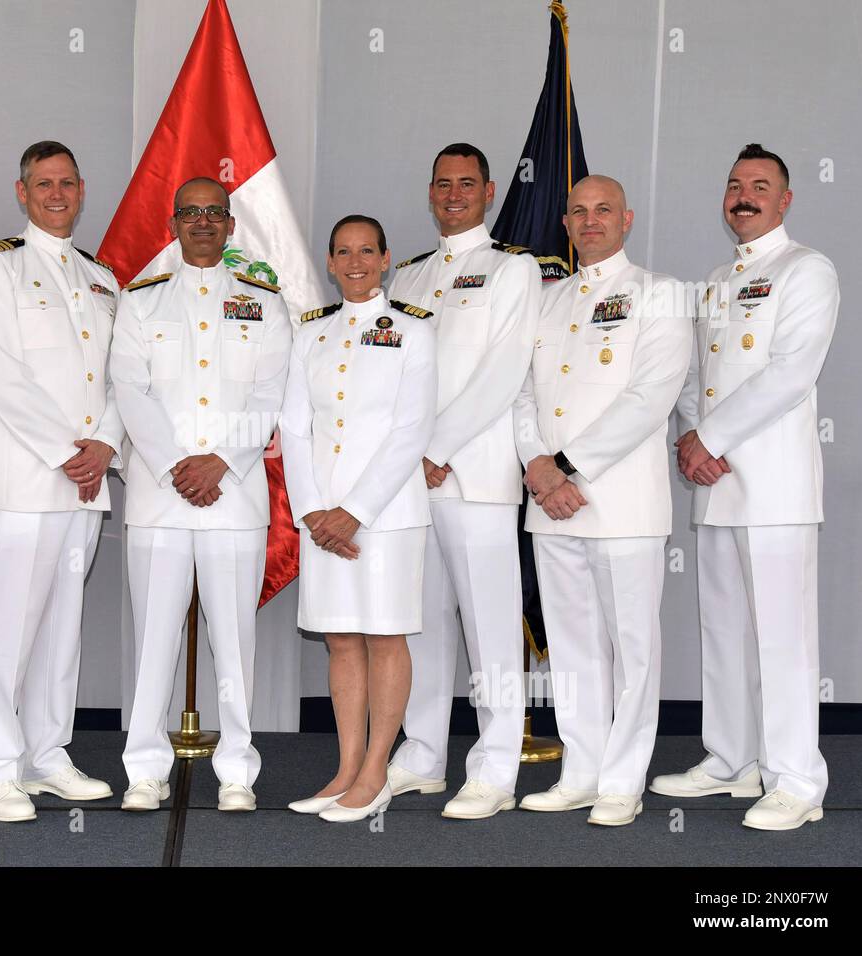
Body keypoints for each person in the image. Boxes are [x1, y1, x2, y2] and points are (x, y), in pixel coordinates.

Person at [650, 144, 838, 831]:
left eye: (760, 186)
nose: (744, 195)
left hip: (775, 487)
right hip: (718, 485)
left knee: (783, 638)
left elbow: (790, 373)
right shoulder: (716, 281)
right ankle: (731, 758)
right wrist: (695, 442)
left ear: (785, 200)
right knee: (722, 629)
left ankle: (797, 779)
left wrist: (710, 440)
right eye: (734, 185)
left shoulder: (807, 270)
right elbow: (701, 377)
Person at [110, 177, 292, 812]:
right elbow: (130, 389)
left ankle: (238, 768)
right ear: (174, 223)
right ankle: (144, 767)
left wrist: (221, 462)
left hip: (233, 497)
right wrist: (174, 465)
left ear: (231, 223)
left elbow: (269, 394)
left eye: (216, 213)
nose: (204, 223)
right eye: (192, 213)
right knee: (153, 638)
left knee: (234, 642)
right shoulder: (141, 302)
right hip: (161, 499)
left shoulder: (265, 303)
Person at [513, 176, 691, 826]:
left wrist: (564, 470)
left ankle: (623, 779)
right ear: (565, 223)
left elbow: (650, 398)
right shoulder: (547, 299)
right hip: (550, 502)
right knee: (573, 645)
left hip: (619, 503)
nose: (591, 221)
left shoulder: (661, 294)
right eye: (580, 211)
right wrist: (536, 466)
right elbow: (522, 395)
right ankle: (582, 770)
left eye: (604, 210)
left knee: (632, 648)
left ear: (627, 219)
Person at [0, 141, 122, 822]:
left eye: (67, 183)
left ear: (82, 190)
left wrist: (106, 443)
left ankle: (47, 754)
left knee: (64, 623)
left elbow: (123, 377)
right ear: (22, 192)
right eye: (43, 183)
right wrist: (67, 450)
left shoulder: (104, 280)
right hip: (33, 475)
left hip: (87, 480)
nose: (57, 194)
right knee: (11, 623)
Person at [385, 144, 542, 819]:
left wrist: (438, 446)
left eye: (466, 184)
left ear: (488, 190)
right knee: (419, 624)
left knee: (491, 625)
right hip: (409, 480)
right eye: (442, 183)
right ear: (430, 191)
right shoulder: (410, 278)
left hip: (473, 474)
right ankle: (422, 754)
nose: (453, 194)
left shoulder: (513, 270)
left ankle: (496, 765)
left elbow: (504, 373)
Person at [279, 215, 437, 822]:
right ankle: (345, 768)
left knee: (383, 635)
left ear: (386, 257)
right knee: (341, 638)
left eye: (366, 251)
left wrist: (354, 512)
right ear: (328, 260)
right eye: (343, 251)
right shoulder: (312, 332)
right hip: (322, 516)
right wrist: (314, 509)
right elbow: (294, 426)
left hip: (387, 515)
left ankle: (377, 771)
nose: (355, 262)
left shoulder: (414, 330)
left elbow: (410, 429)